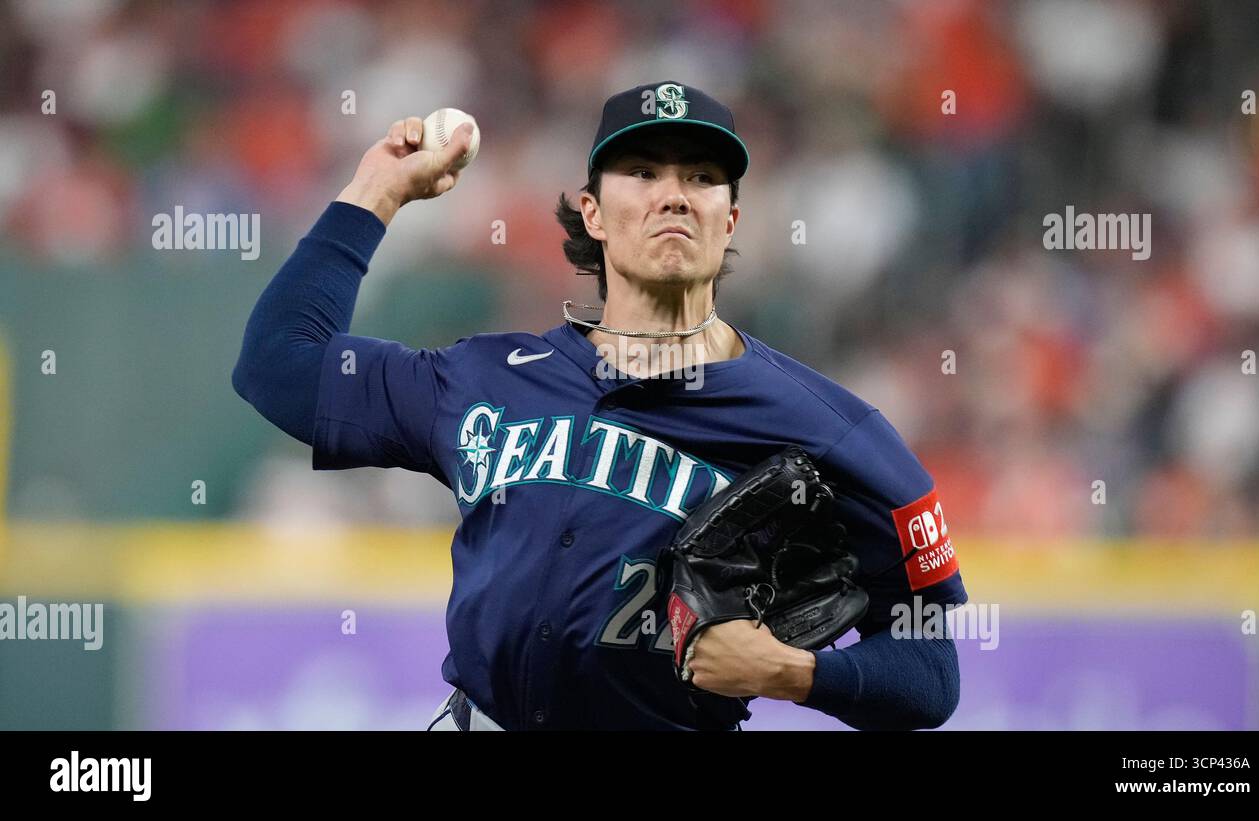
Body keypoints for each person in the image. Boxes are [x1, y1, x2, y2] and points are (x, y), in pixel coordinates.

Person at [232, 81, 966, 731]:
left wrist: (795, 673)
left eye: (701, 177)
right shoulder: (489, 377)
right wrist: (377, 190)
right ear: (593, 213)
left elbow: (931, 672)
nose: (673, 193)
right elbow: (278, 365)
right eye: (642, 172)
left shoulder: (831, 429)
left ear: (731, 219)